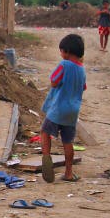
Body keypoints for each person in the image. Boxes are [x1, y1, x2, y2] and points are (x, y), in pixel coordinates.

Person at [41, 34, 86, 183]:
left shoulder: (64, 65)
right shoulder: (82, 70)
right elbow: (83, 87)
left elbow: (54, 81)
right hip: (73, 111)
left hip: (58, 108)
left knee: (45, 132)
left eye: (61, 51)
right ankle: (68, 172)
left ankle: (46, 157)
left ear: (66, 51)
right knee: (68, 141)